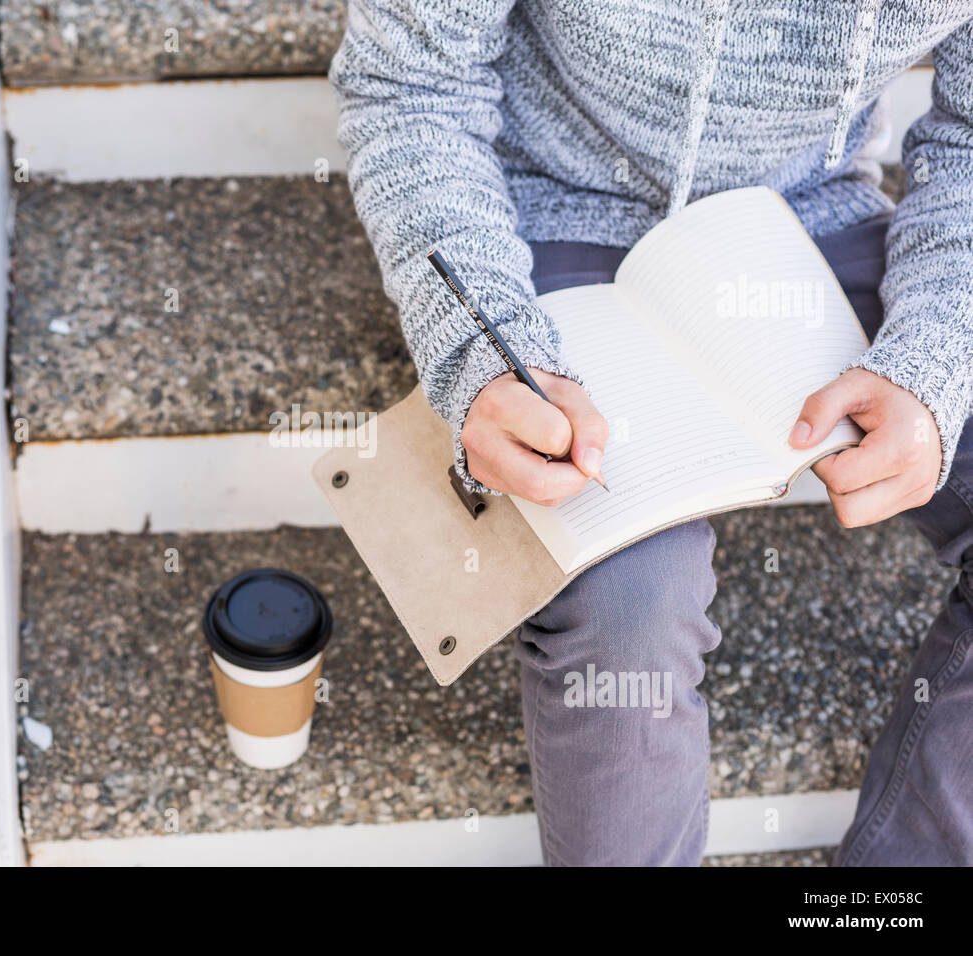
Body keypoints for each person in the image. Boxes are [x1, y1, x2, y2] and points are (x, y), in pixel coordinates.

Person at [329, 0, 973, 865]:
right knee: (623, 602)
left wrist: (934, 358)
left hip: (809, 213)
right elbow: (411, 81)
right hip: (546, 209)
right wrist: (485, 349)